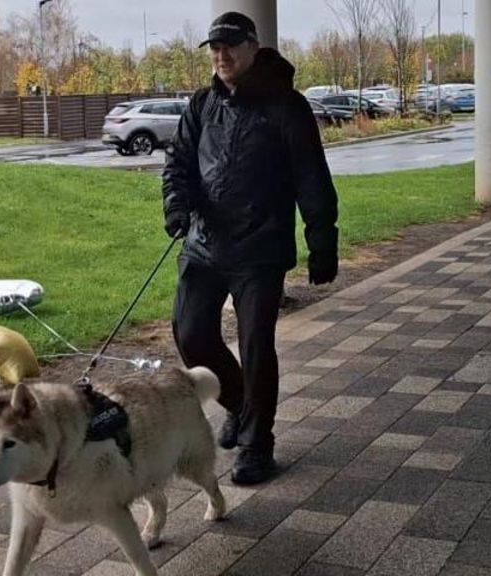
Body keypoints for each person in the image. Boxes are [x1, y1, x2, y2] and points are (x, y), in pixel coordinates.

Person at [162, 11, 339, 485]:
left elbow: (311, 177)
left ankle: (257, 444)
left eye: (230, 46)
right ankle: (240, 407)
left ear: (253, 48)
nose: (221, 56)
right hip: (202, 245)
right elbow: (178, 162)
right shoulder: (202, 104)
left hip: (259, 250)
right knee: (191, 334)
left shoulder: (287, 106)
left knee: (256, 346)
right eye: (214, 48)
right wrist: (177, 207)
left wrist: (322, 241)